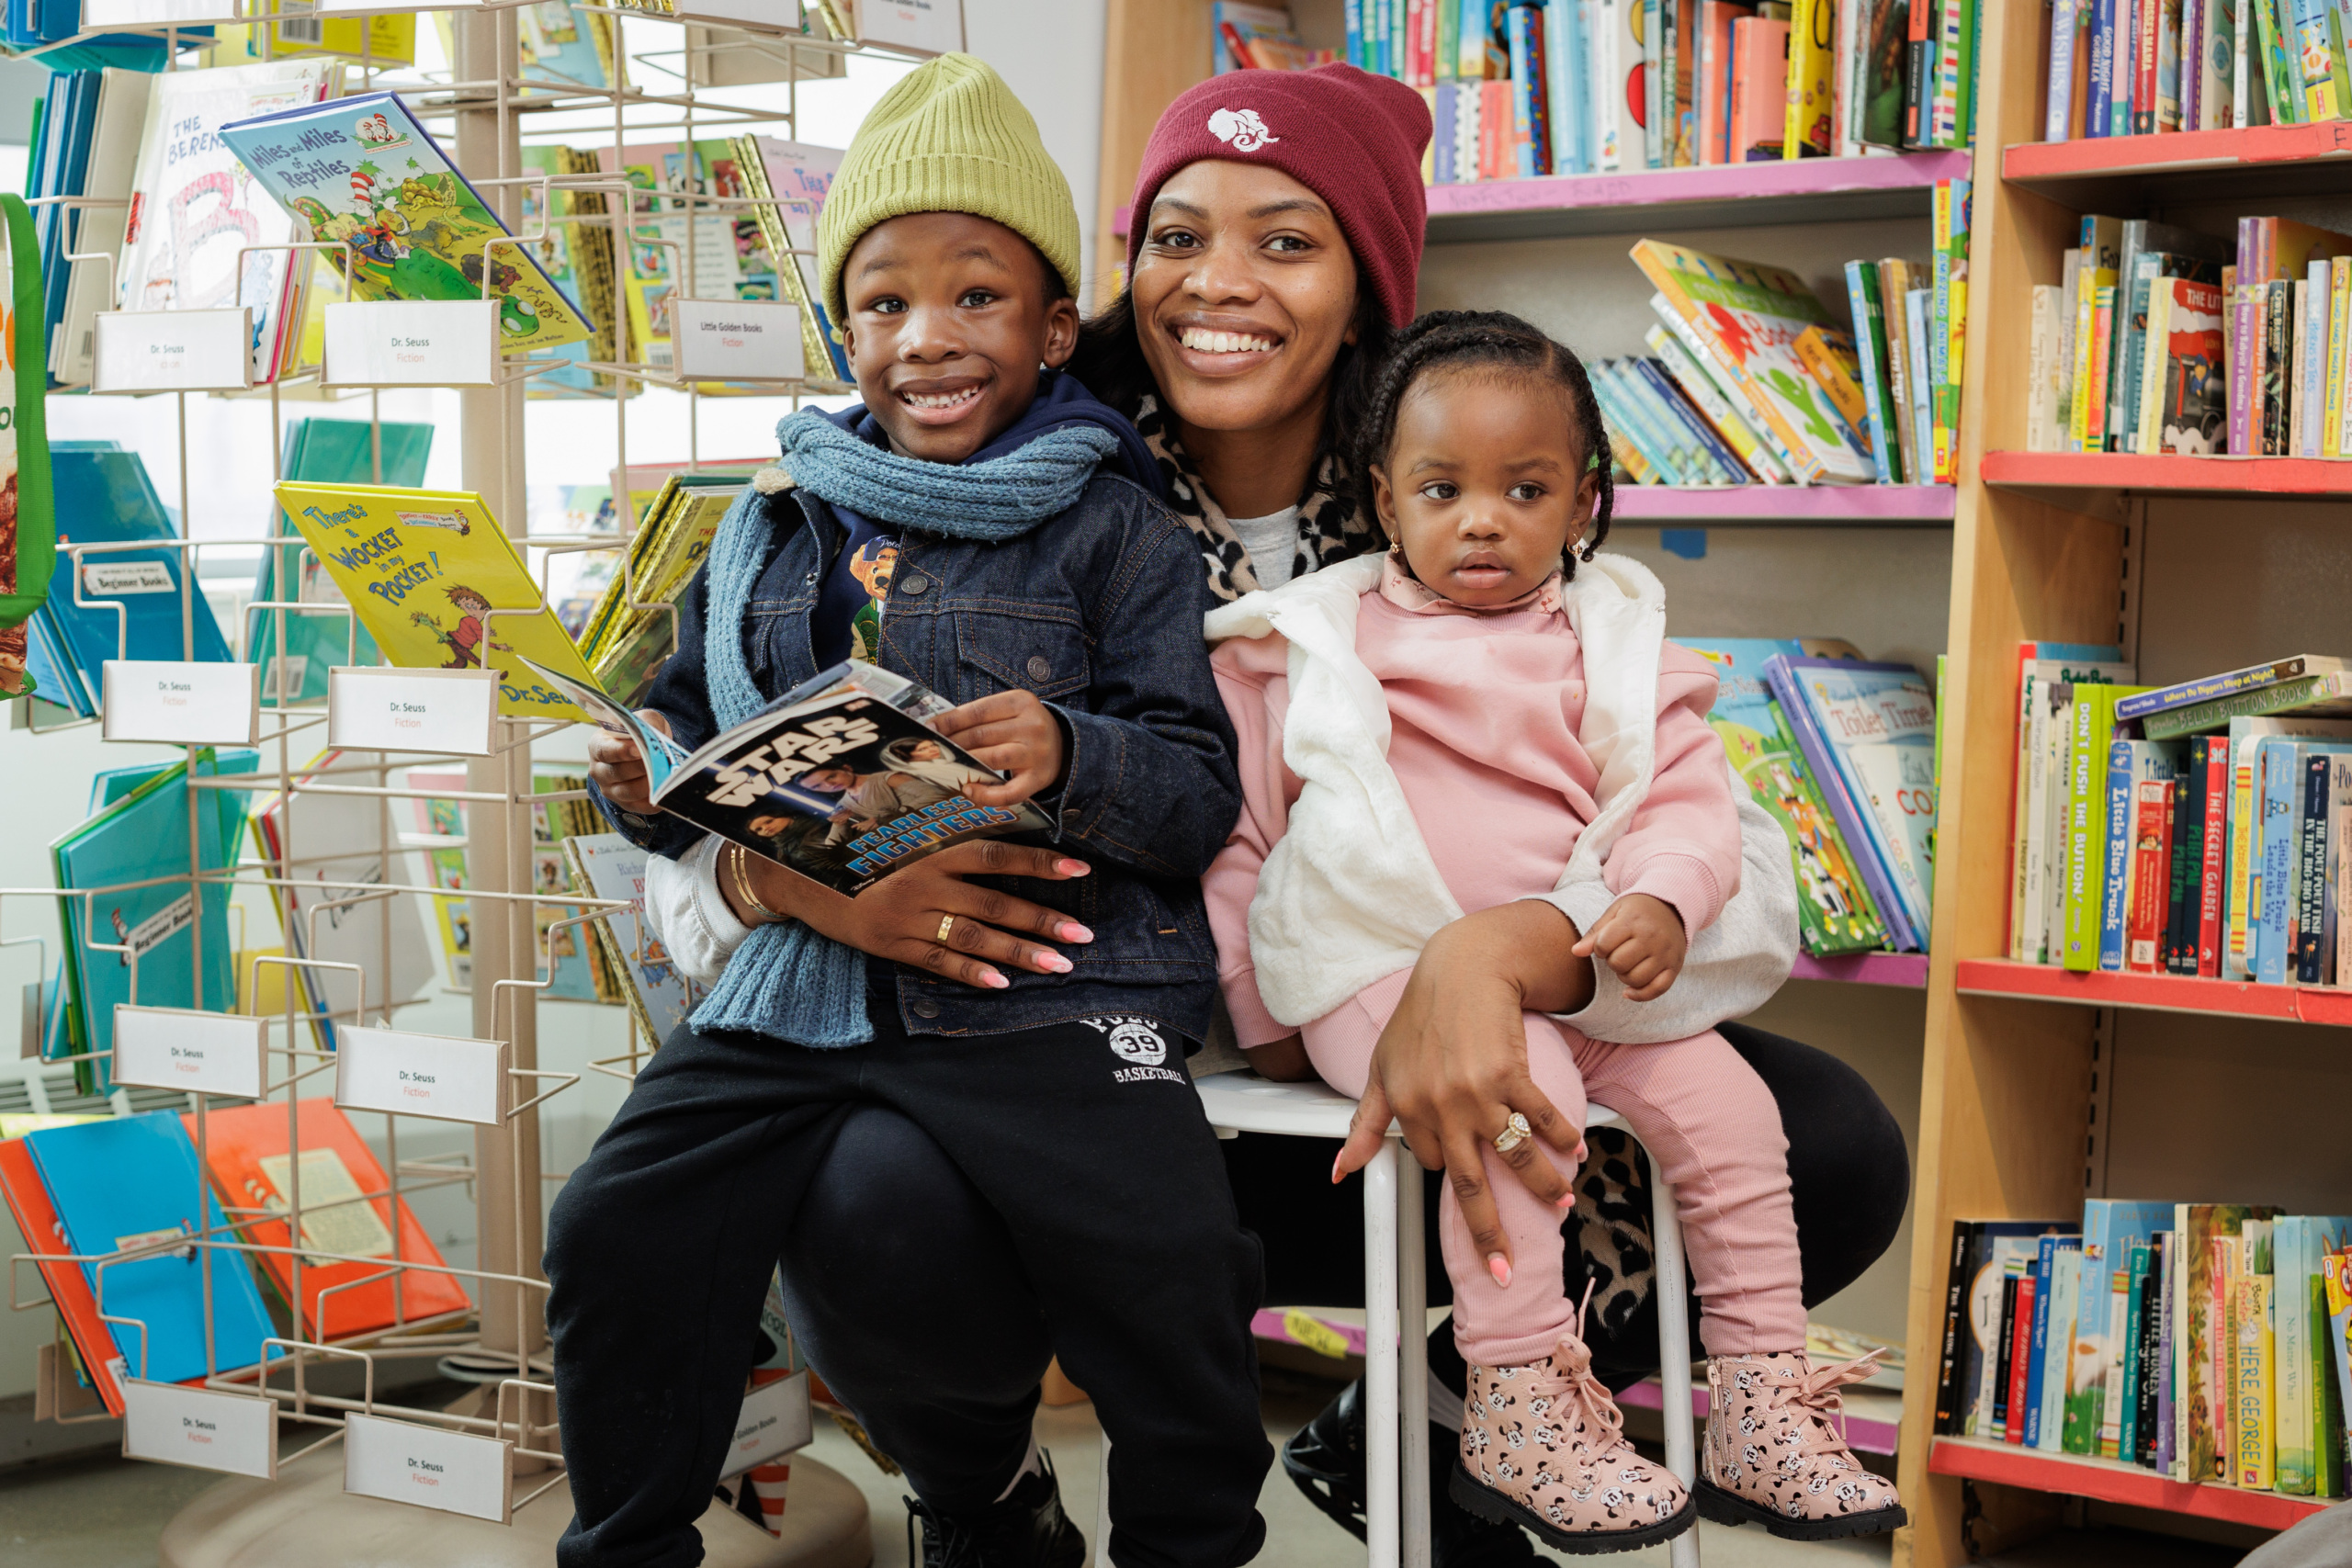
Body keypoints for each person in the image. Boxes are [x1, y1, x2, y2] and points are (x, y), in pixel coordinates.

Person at [627, 62, 1910, 1568]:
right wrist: (784, 893)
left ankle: (1426, 1426)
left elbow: (1722, 848)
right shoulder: (980, 456)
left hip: (1401, 1096)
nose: (1216, 283)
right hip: (1071, 1078)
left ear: (1368, 283)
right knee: (864, 1201)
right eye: (1176, 237)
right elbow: (688, 800)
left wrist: (1511, 952)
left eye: (1285, 240)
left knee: (1827, 1139)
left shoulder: (1466, 496)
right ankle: (980, 1497)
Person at [549, 55, 1269, 1568]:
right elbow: (695, 748)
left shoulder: (1115, 524)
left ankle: (1187, 1546)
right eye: (884, 303)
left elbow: (1198, 793)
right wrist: (648, 782)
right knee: (615, 1225)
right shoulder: (769, 520)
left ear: (1058, 324)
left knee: (1173, 1270)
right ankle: (624, 1547)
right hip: (798, 993)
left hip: (1048, 996)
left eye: (978, 297)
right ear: (843, 329)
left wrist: (1068, 750)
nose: (926, 338)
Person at [1204, 310, 1906, 1550]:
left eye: (1523, 489)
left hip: (1568, 971)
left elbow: (1683, 797)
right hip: (1376, 968)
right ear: (1384, 497)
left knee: (1734, 1107)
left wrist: (1663, 898)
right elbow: (1246, 842)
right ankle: (1518, 1397)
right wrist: (1260, 1017)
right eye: (1443, 489)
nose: (1482, 520)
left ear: (1584, 501)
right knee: (1518, 1090)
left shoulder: (1611, 640)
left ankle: (1760, 1404)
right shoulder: (1311, 642)